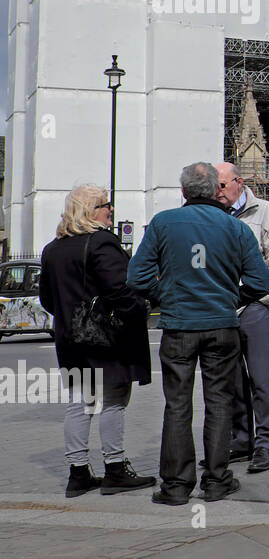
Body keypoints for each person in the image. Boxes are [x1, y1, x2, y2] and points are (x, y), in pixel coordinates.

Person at [127, 162, 269, 506]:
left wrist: (166, 296)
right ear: (214, 191)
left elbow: (137, 277)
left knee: (177, 405)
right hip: (222, 325)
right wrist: (230, 298)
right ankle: (217, 480)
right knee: (220, 402)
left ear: (183, 192)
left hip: (179, 325)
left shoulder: (164, 223)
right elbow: (261, 282)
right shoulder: (235, 227)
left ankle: (177, 485)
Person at [39, 185, 156, 497]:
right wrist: (140, 309)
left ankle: (78, 473)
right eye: (106, 205)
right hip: (107, 338)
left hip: (69, 338)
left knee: (80, 402)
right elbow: (119, 289)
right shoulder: (102, 241)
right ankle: (115, 468)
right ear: (91, 210)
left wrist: (72, 318)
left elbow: (47, 299)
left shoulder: (53, 249)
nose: (111, 210)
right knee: (114, 401)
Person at [216, 161, 269, 474]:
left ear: (238, 182)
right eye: (213, 186)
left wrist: (264, 299)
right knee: (232, 381)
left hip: (254, 307)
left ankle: (266, 443)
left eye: (222, 185)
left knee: (262, 380)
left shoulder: (265, 212)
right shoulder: (212, 215)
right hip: (222, 309)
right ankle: (241, 440)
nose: (217, 192)